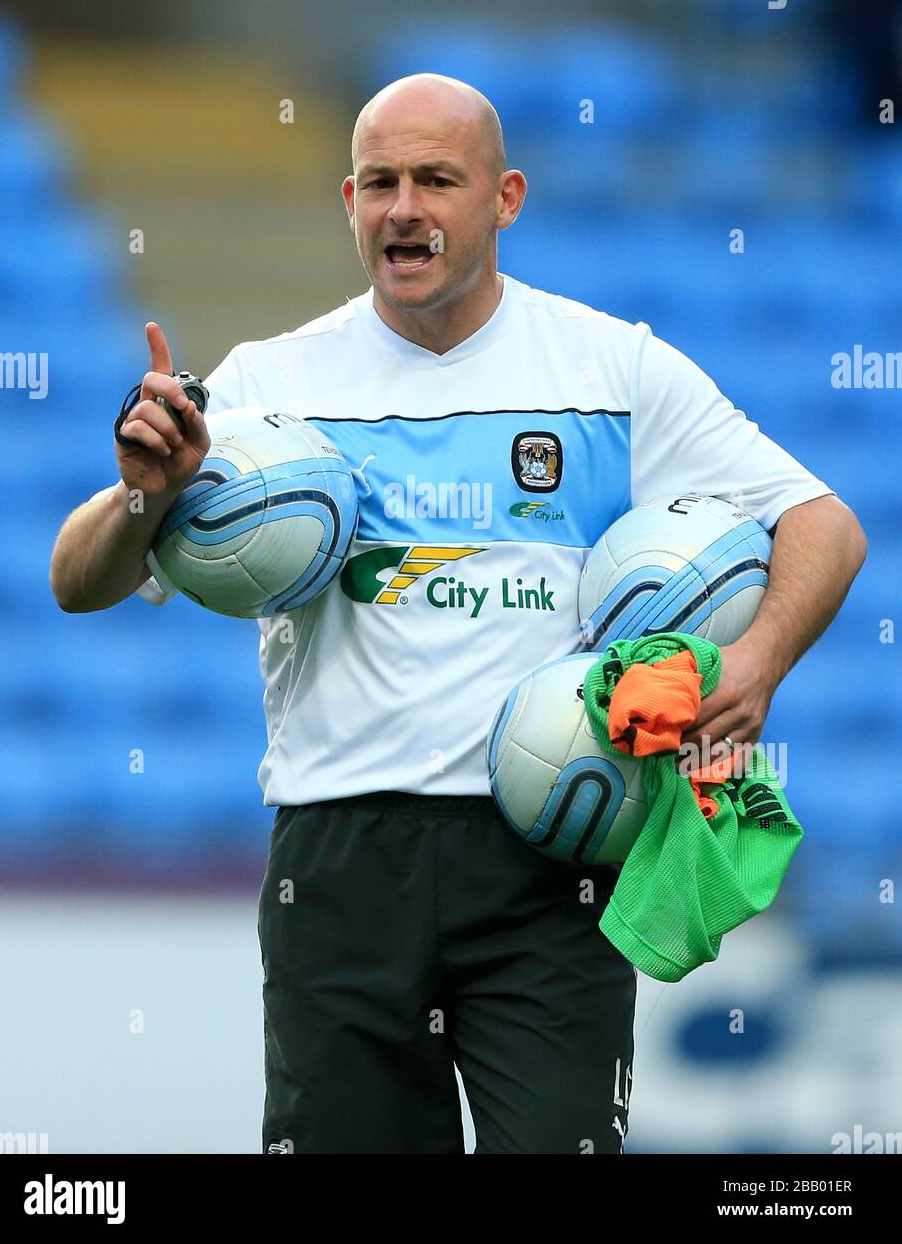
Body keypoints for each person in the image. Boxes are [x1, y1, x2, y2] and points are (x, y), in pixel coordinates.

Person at [50, 73, 867, 1155]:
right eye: (380, 182)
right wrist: (145, 492)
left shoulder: (607, 369)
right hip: (338, 857)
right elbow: (76, 580)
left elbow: (823, 522)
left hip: (552, 849)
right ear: (347, 200)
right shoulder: (267, 389)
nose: (404, 208)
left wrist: (755, 663)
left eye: (436, 179)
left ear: (505, 197)